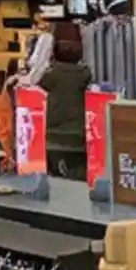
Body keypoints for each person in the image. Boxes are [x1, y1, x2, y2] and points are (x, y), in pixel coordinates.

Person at [41, 38, 92, 180]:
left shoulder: (52, 74)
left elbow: (41, 82)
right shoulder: (85, 74)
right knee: (79, 171)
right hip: (78, 129)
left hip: (55, 129)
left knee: (54, 174)